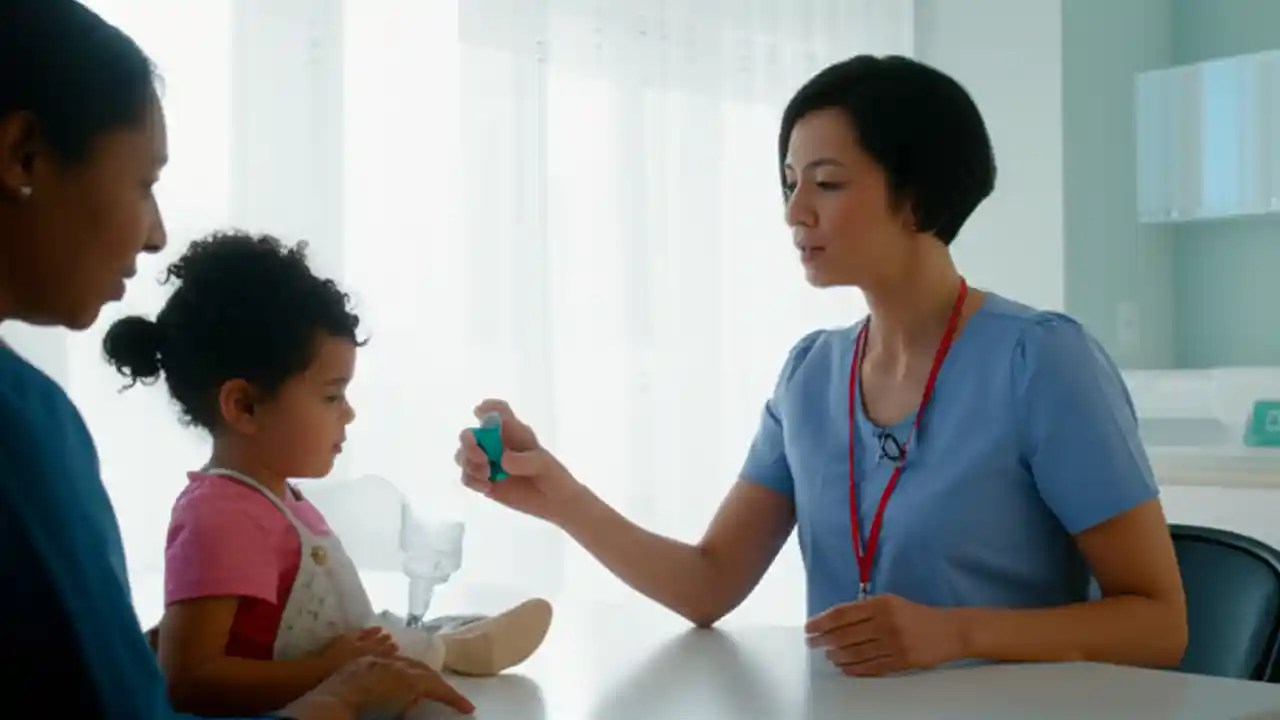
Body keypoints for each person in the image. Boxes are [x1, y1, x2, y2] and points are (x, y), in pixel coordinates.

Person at [455, 55, 1189, 677]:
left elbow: (1161, 625)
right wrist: (560, 497)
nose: (794, 212)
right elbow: (709, 584)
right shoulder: (811, 375)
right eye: (790, 182)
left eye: (827, 183)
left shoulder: (1042, 362)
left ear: (917, 197)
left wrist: (955, 633)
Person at [0, 0, 472, 717]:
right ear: (23, 156)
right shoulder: (24, 429)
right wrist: (338, 697)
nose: (156, 234)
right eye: (144, 183)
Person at [103, 232, 552, 716]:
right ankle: (451, 647)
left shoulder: (274, 499)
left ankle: (451, 644)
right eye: (331, 396)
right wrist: (328, 671)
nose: (349, 413)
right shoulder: (221, 516)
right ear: (244, 405)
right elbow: (190, 680)